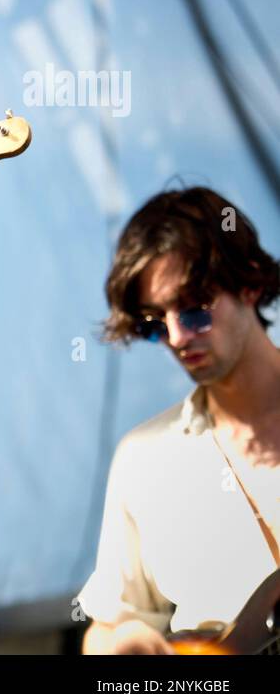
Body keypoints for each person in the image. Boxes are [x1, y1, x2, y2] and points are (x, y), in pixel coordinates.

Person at [77, 186, 280, 654]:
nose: (175, 336)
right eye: (153, 322)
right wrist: (122, 642)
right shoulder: (142, 459)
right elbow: (106, 626)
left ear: (249, 281)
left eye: (193, 308)